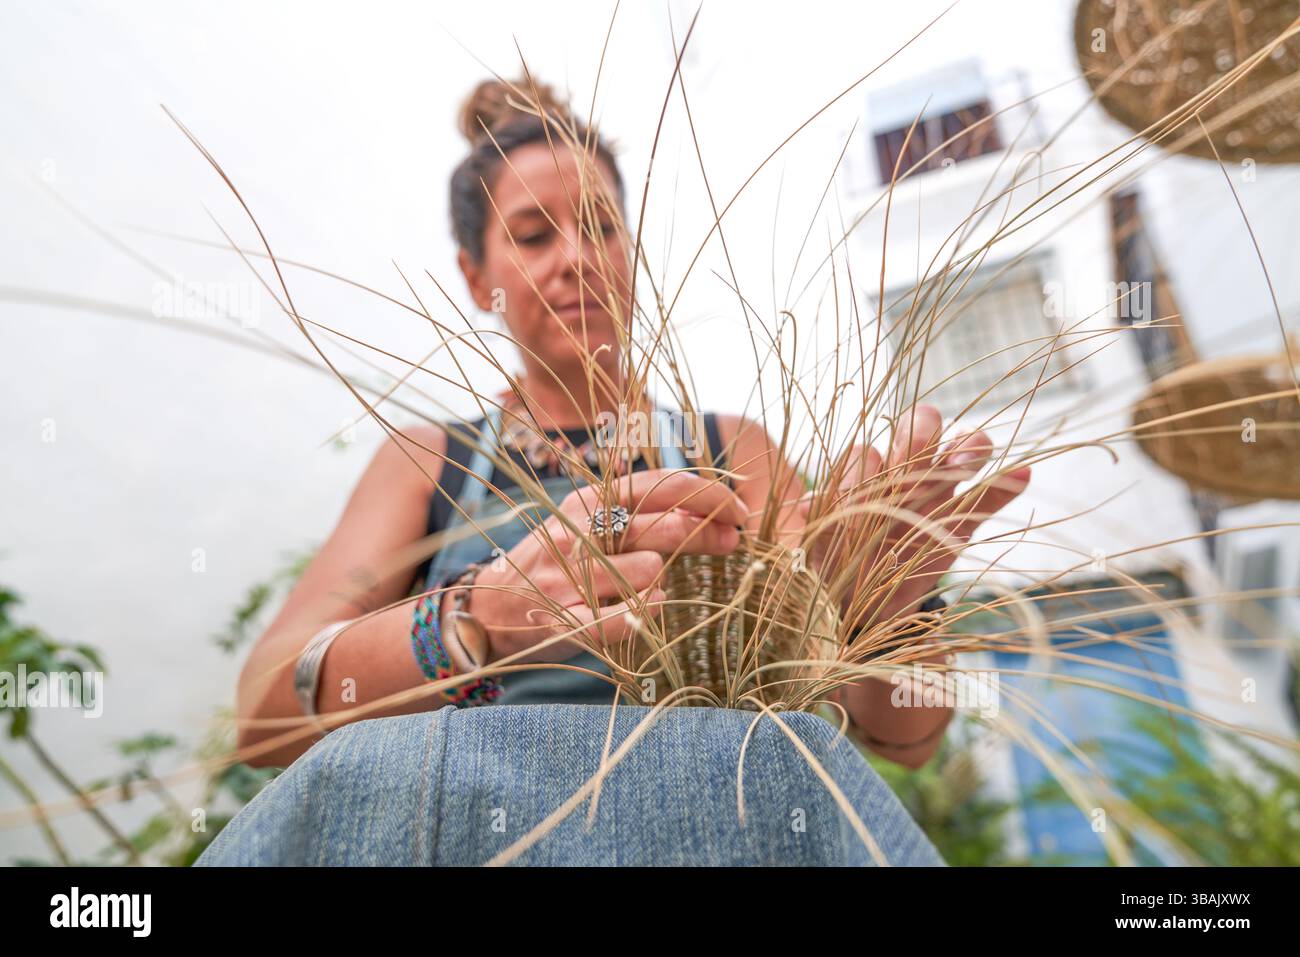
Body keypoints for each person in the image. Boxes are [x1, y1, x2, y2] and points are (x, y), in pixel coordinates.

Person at [233, 76, 1031, 774]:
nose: (577, 257)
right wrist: (474, 619)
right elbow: (265, 713)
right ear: (477, 278)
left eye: (603, 226)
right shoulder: (432, 460)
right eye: (535, 234)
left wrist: (869, 615)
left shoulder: (733, 447)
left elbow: (909, 735)